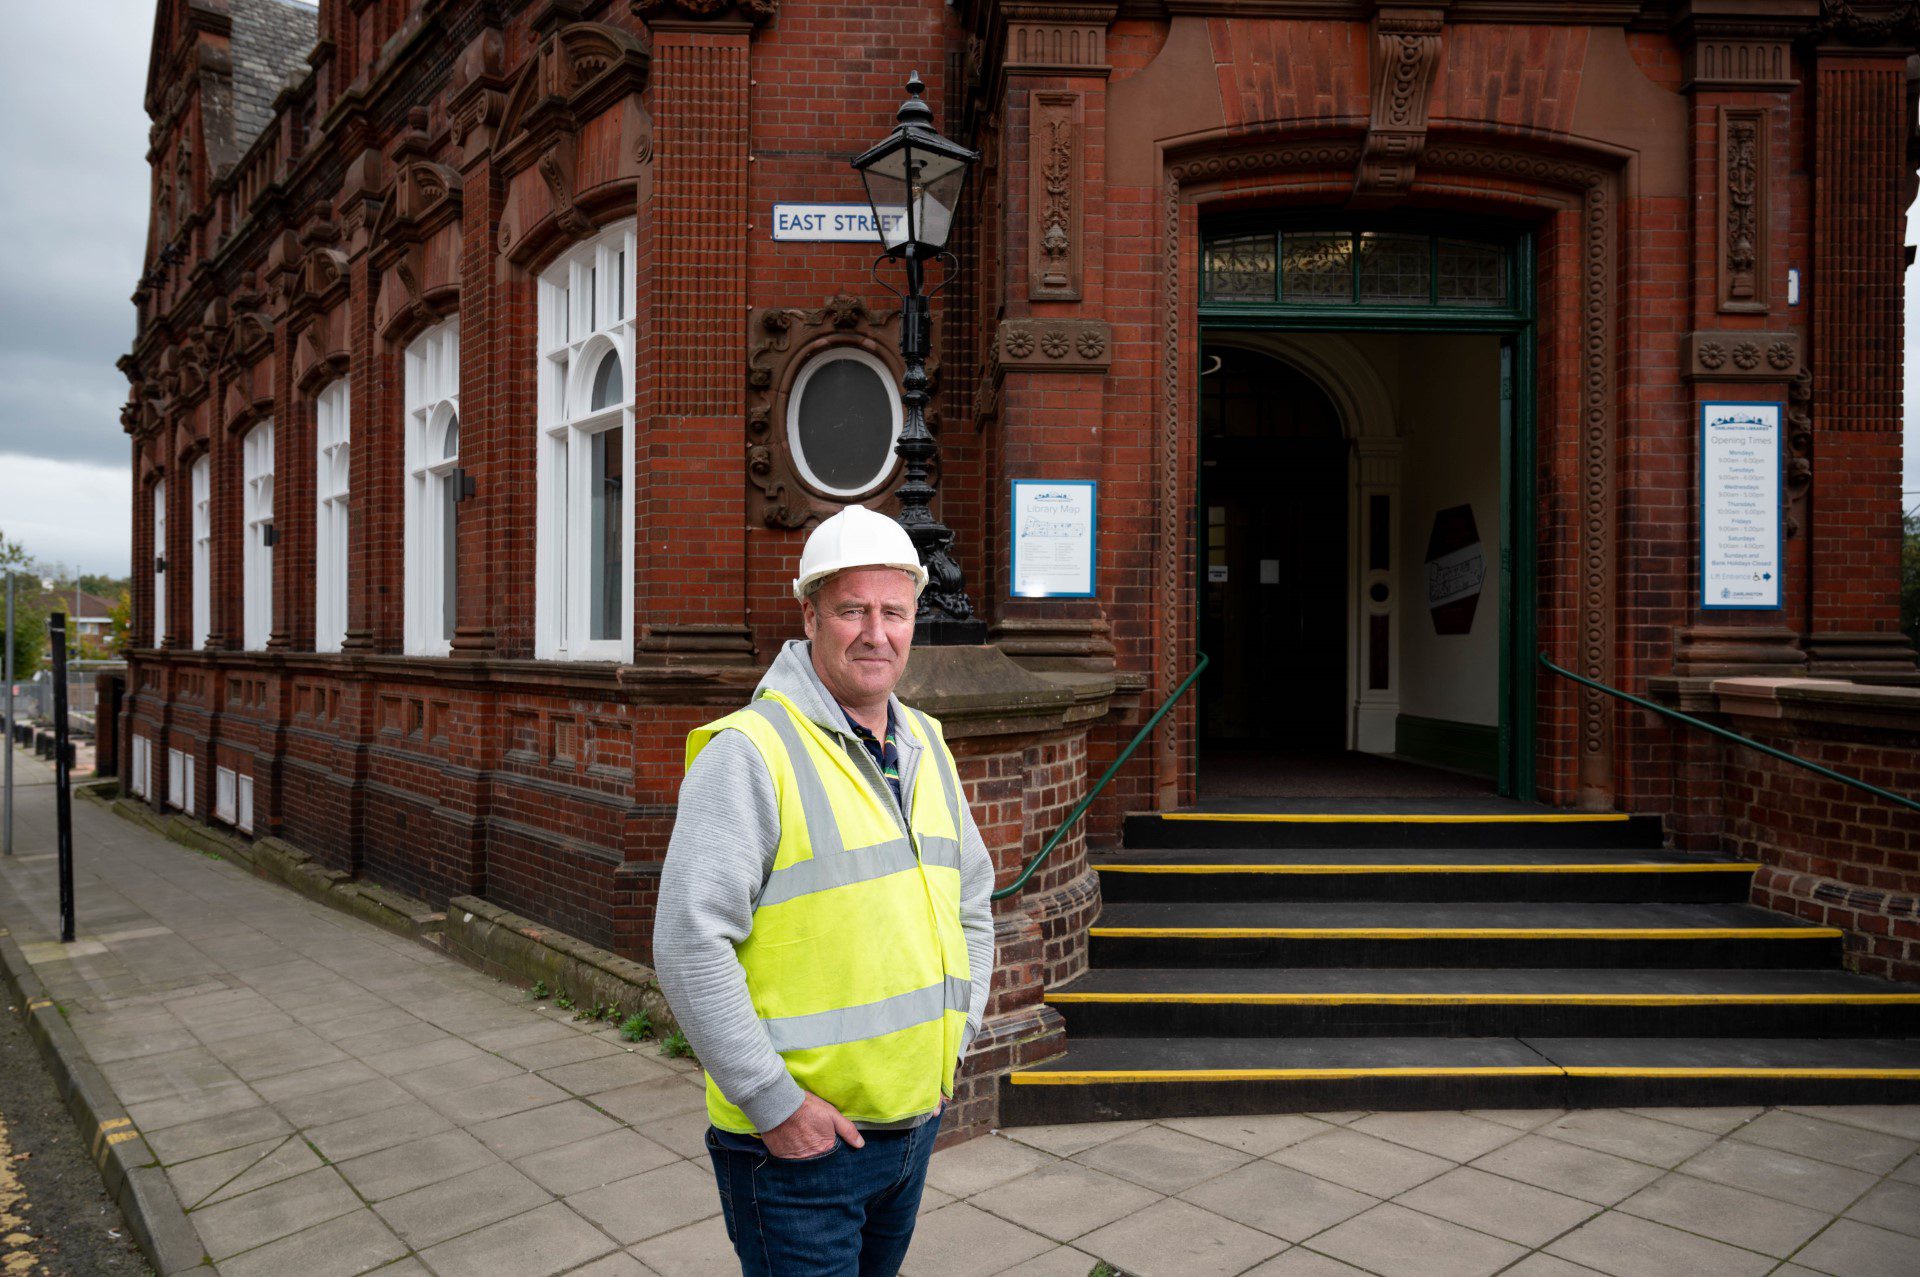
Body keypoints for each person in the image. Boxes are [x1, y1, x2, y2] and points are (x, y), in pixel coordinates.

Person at [654, 504, 996, 1277]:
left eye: (894, 612)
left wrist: (954, 1040)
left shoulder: (925, 741)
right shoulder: (750, 751)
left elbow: (971, 903)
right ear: (810, 615)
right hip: (801, 1151)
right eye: (852, 610)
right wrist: (774, 1104)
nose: (877, 633)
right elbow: (687, 942)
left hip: (911, 1129)